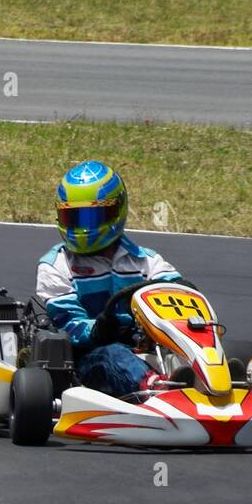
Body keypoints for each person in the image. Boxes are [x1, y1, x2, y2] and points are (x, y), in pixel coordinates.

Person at [36, 160, 194, 397]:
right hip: (89, 360)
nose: (83, 228)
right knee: (113, 355)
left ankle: (216, 380)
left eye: (91, 218)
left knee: (186, 345)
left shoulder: (145, 261)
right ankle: (159, 390)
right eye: (75, 218)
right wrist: (97, 330)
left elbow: (178, 296)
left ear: (116, 211)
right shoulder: (56, 266)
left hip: (147, 351)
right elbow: (66, 323)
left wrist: (185, 290)